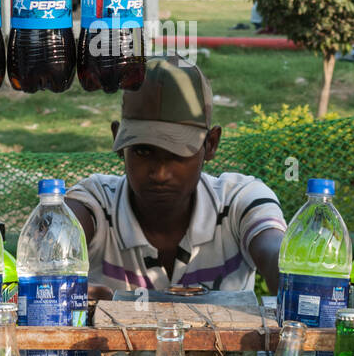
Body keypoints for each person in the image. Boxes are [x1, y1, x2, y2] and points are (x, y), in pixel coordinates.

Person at [67, 55, 286, 301]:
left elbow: (278, 255)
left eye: (177, 154)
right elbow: (53, 241)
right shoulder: (95, 204)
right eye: (142, 151)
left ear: (211, 144)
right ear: (118, 141)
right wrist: (61, 288)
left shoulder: (239, 202)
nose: (159, 173)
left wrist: (292, 279)